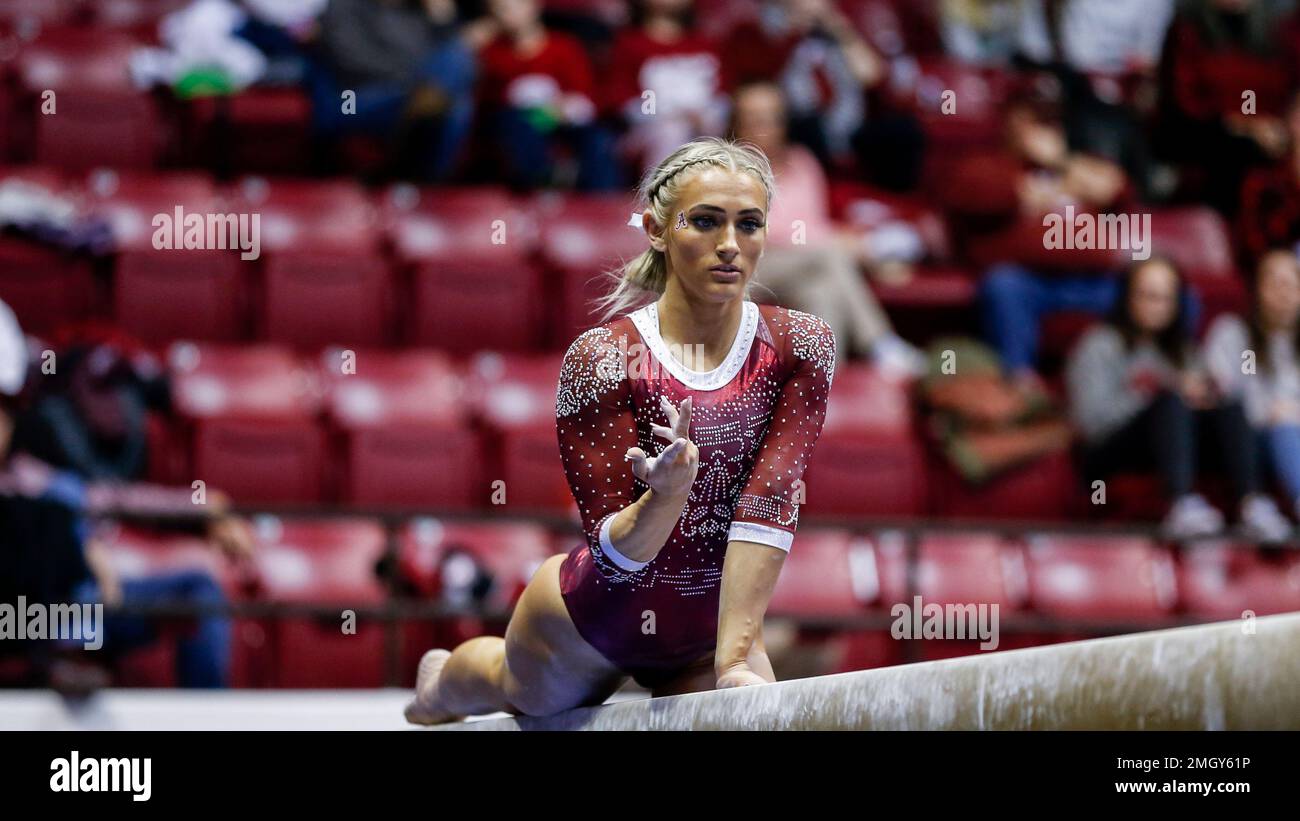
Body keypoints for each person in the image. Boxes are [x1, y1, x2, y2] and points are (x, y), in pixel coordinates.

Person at [405, 137, 835, 723]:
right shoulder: (604, 358)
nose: (730, 245)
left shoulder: (800, 346)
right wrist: (665, 498)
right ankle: (441, 683)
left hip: (707, 635)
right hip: (593, 620)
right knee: (520, 691)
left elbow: (771, 499)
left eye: (749, 224)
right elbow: (612, 554)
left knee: (743, 713)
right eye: (705, 222)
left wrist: (737, 657)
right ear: (658, 230)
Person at [0, 300, 254, 688]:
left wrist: (204, 507)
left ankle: (209, 720)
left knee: (198, 589)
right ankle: (57, 656)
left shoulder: (38, 479)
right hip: (26, 620)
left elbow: (115, 498)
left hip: (76, 610)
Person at [1065, 257, 1290, 541]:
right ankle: (1180, 504)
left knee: (1230, 403)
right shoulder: (1099, 345)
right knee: (1171, 399)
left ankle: (1253, 504)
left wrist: (1205, 398)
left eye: (1166, 299)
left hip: (1172, 447)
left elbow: (1199, 408)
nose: (1157, 306)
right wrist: (1153, 394)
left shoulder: (1184, 352)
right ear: (1128, 297)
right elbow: (1091, 424)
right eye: (1148, 296)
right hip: (1111, 449)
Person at [729, 80, 923, 373]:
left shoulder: (803, 162)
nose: (765, 126)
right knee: (830, 254)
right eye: (754, 118)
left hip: (804, 266)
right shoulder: (727, 170)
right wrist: (854, 249)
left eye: (773, 117)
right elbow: (762, 233)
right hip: (749, 269)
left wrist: (838, 243)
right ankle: (880, 341)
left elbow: (812, 223)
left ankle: (827, 385)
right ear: (736, 124)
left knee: (823, 291)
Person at [476, 0, 619, 190]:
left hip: (564, 121)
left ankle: (602, 202)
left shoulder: (564, 47)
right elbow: (489, 105)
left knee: (597, 139)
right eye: (500, 10)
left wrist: (559, 110)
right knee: (519, 126)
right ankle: (541, 185)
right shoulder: (493, 54)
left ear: (534, 6)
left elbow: (585, 96)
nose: (509, 15)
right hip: (518, 124)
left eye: (515, 6)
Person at [1204, 249, 1300, 523]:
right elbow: (1226, 396)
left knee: (1287, 423)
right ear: (1257, 288)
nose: (1283, 292)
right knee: (1281, 424)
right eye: (1274, 283)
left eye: (1292, 283)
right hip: (1247, 438)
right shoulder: (1231, 333)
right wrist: (1273, 414)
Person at [603, 0, 727, 174]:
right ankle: (662, 194)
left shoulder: (704, 43)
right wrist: (667, 114)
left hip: (704, 127)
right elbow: (622, 100)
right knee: (671, 132)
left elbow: (721, 96)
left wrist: (705, 115)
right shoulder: (630, 44)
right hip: (648, 131)